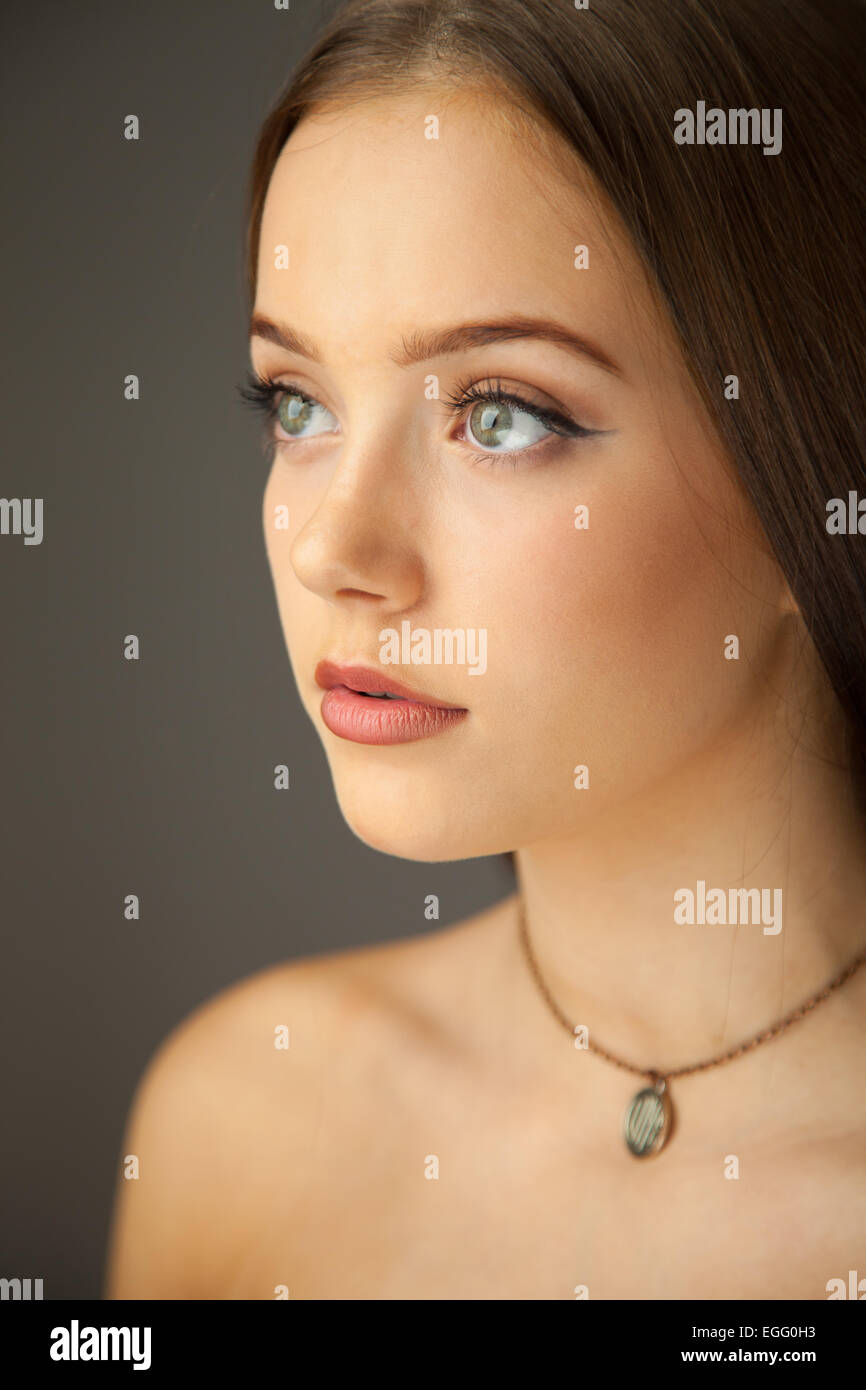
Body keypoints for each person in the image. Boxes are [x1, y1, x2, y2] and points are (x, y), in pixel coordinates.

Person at [106, 0, 866, 1299]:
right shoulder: (242, 1121)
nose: (334, 550)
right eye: (297, 402)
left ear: (812, 467)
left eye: (501, 415)